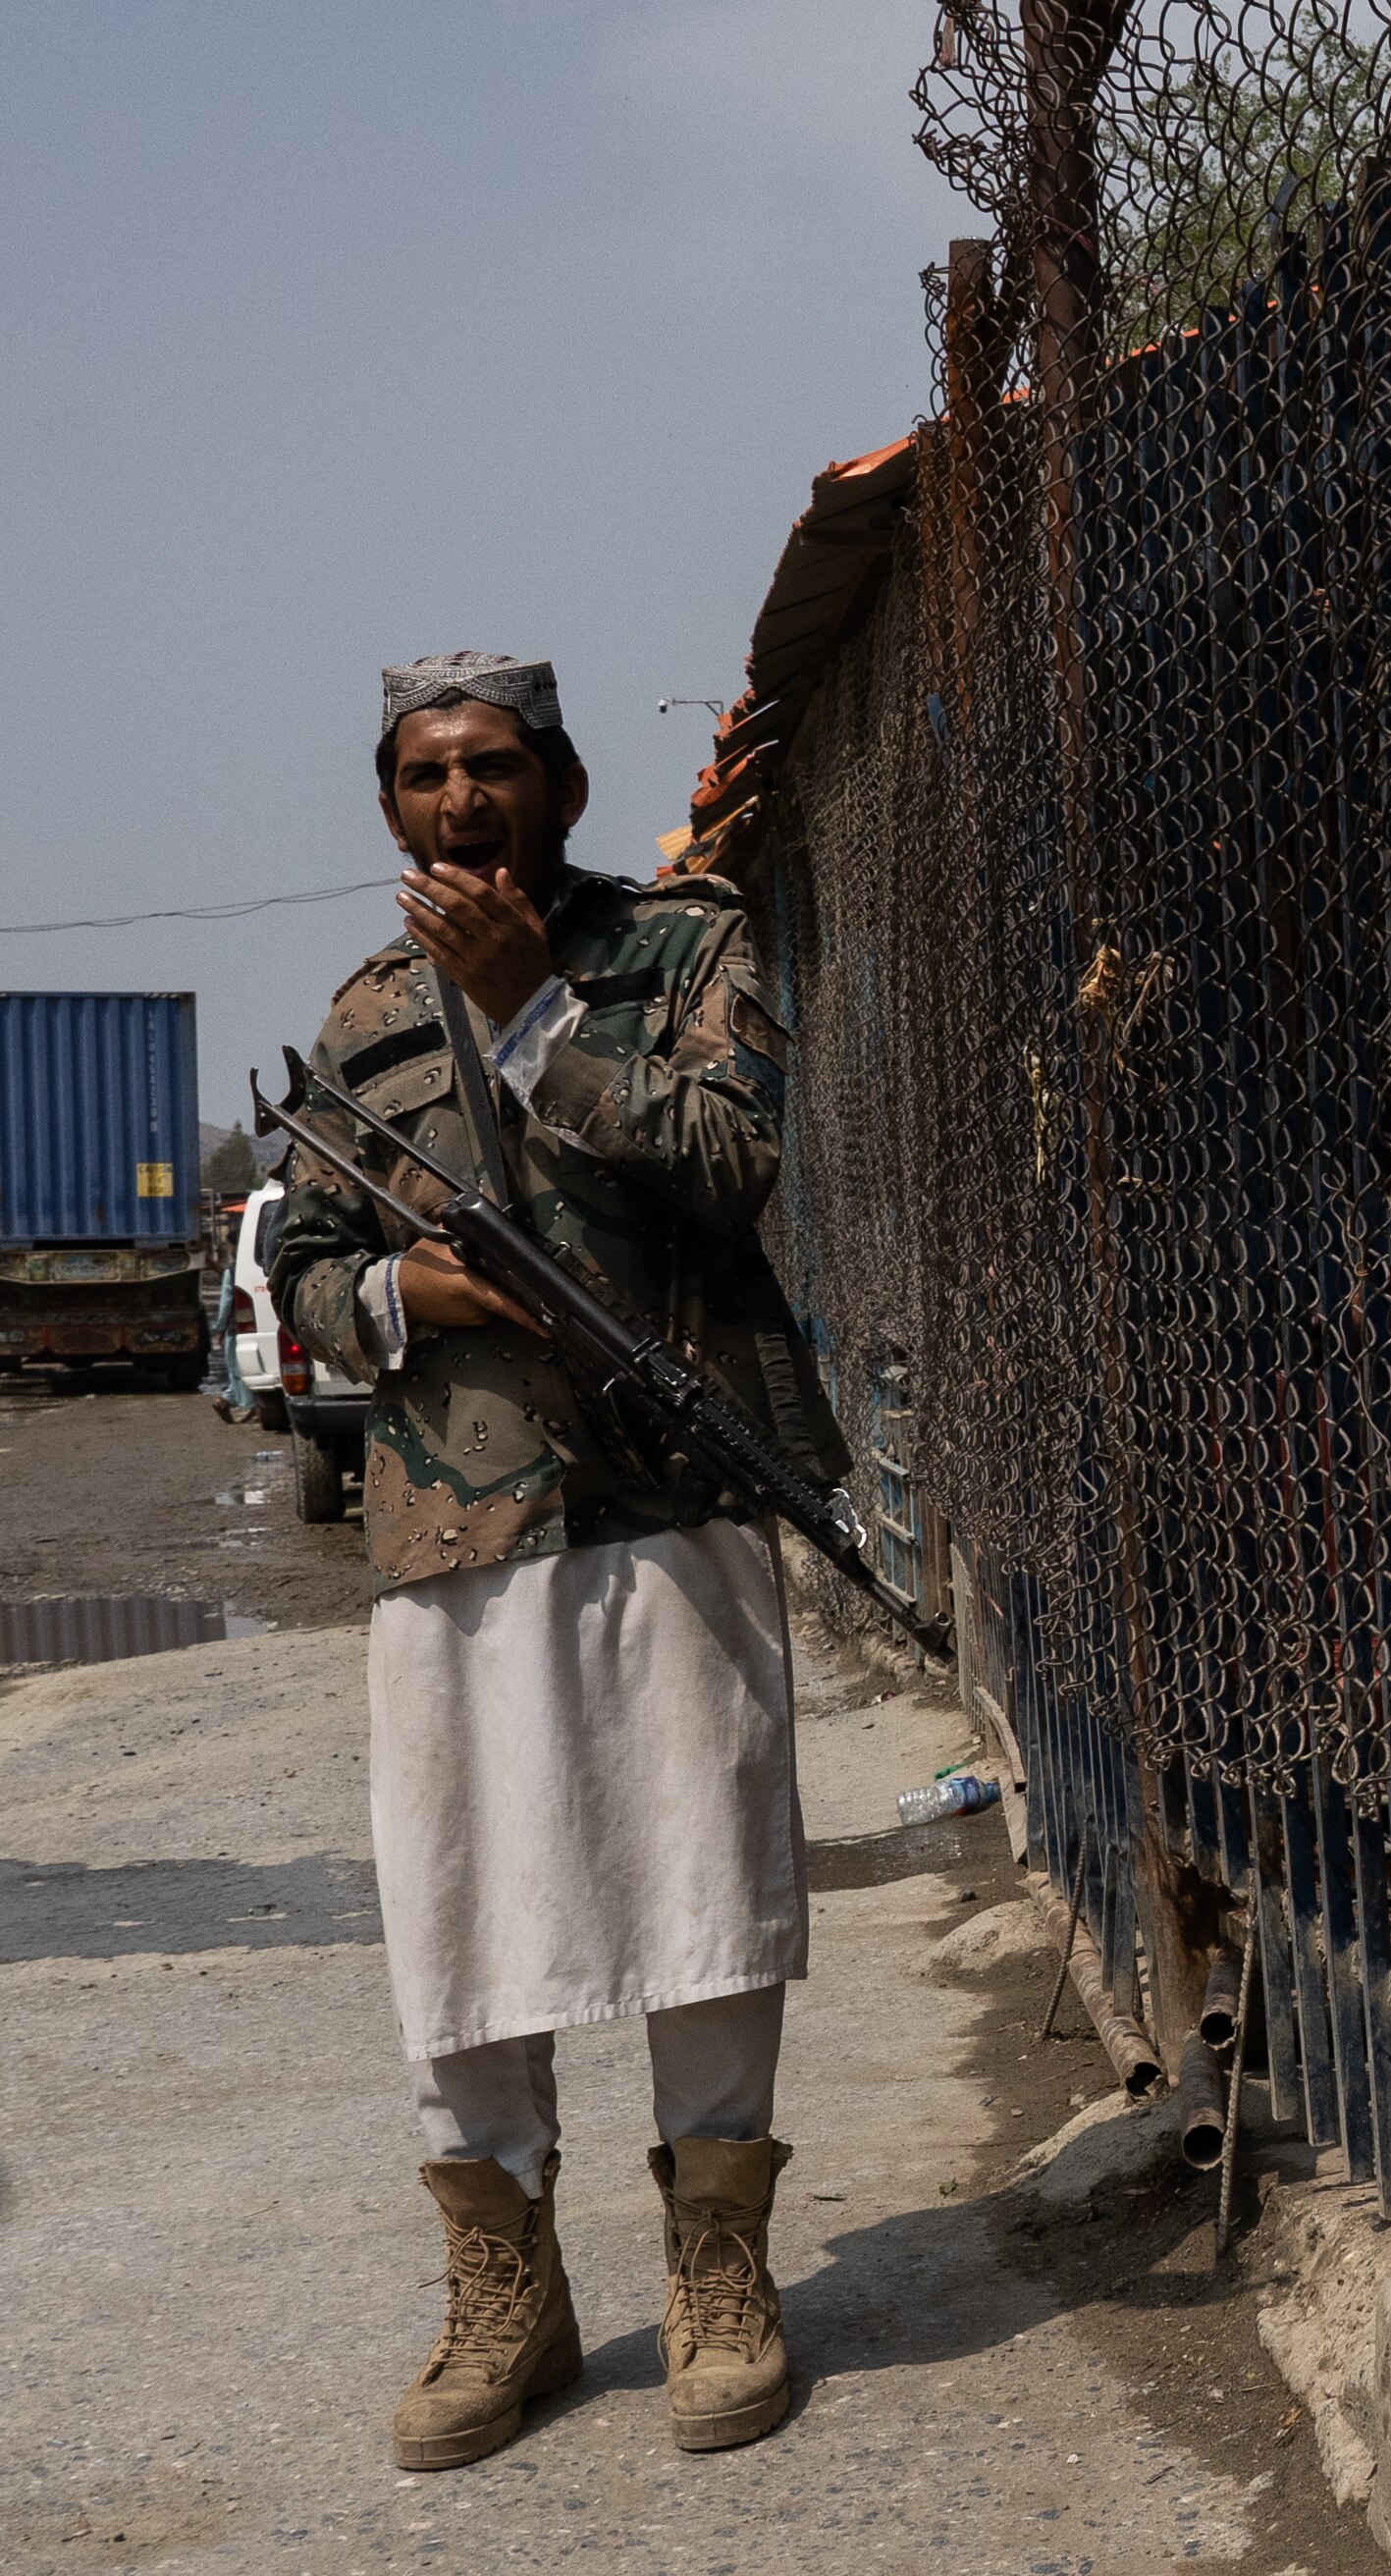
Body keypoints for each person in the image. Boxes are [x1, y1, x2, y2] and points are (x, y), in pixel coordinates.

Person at [270, 650, 850, 2469]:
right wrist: (393, 1291)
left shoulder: (681, 952)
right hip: (454, 1517)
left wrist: (534, 1018)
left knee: (704, 1883)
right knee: (461, 1912)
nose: (464, 801)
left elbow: (735, 1154)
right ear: (390, 808)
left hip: (669, 1492)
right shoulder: (361, 1009)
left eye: (496, 766)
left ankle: (718, 2273)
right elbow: (294, 1267)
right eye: (429, 775)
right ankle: (506, 2292)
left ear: (565, 785)